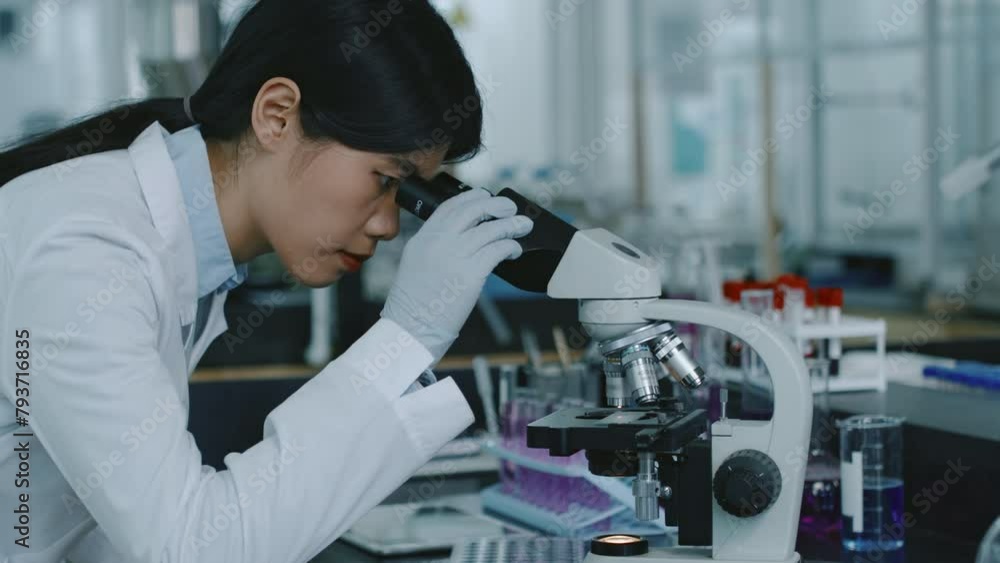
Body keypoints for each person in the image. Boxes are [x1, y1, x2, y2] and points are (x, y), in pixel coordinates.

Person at [0, 1, 533, 561]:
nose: (387, 224)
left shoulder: (176, 251)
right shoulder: (85, 248)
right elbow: (191, 547)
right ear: (276, 114)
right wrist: (408, 336)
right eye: (385, 179)